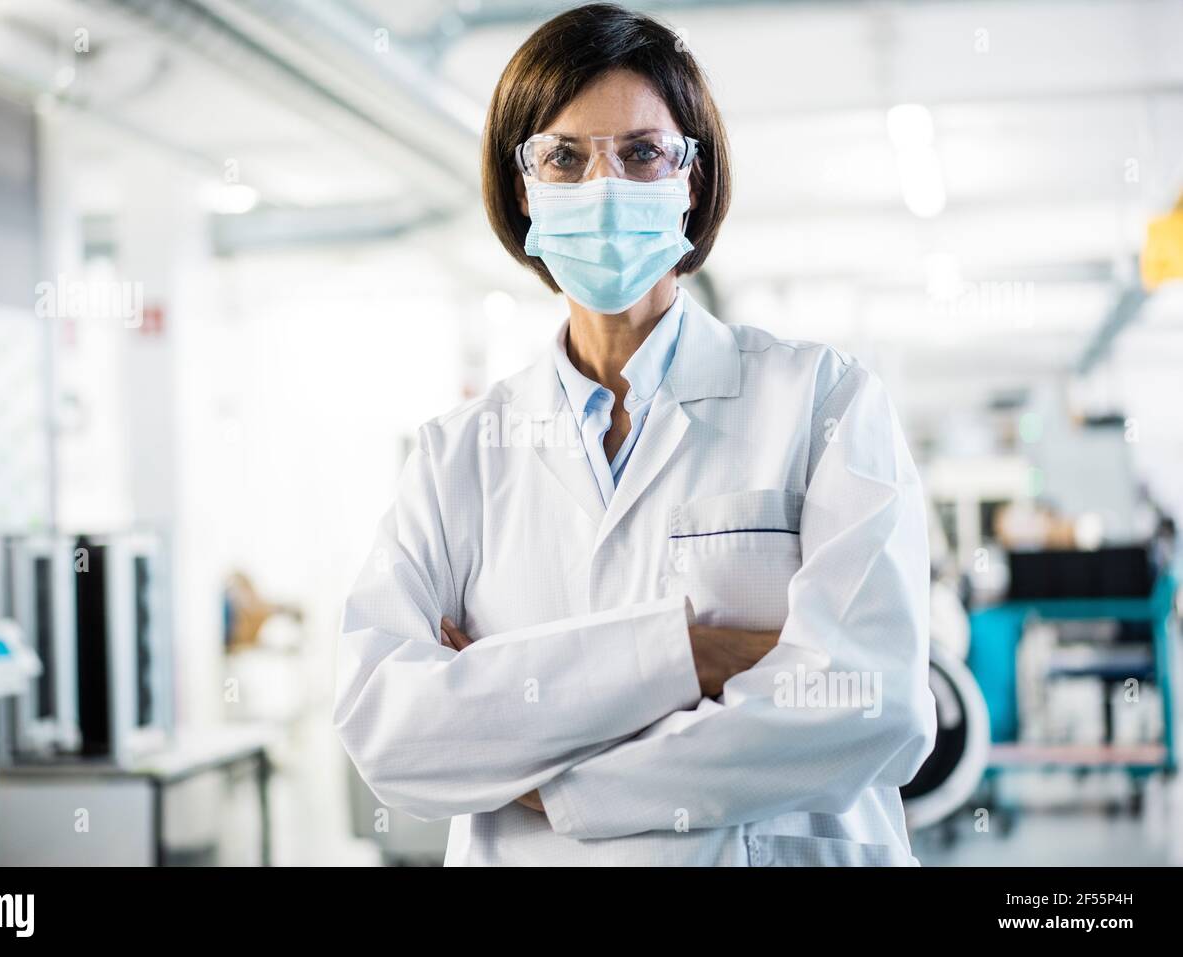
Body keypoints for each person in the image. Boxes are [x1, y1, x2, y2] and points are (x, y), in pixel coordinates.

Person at [334, 3, 935, 866]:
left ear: (691, 180)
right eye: (565, 157)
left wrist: (546, 766)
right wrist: (696, 654)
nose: (603, 187)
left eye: (642, 152)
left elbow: (872, 703)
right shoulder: (456, 456)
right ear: (523, 187)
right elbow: (388, 727)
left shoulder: (824, 402)